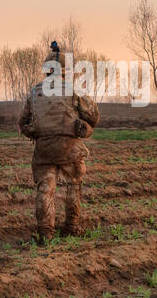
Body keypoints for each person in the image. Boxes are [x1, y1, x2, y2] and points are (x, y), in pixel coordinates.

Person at [17, 42, 99, 242]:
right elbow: (93, 115)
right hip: (69, 148)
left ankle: (45, 232)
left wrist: (35, 134)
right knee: (74, 184)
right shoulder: (73, 89)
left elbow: (22, 122)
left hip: (44, 149)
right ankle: (71, 226)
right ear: (65, 70)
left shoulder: (35, 92)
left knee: (45, 188)